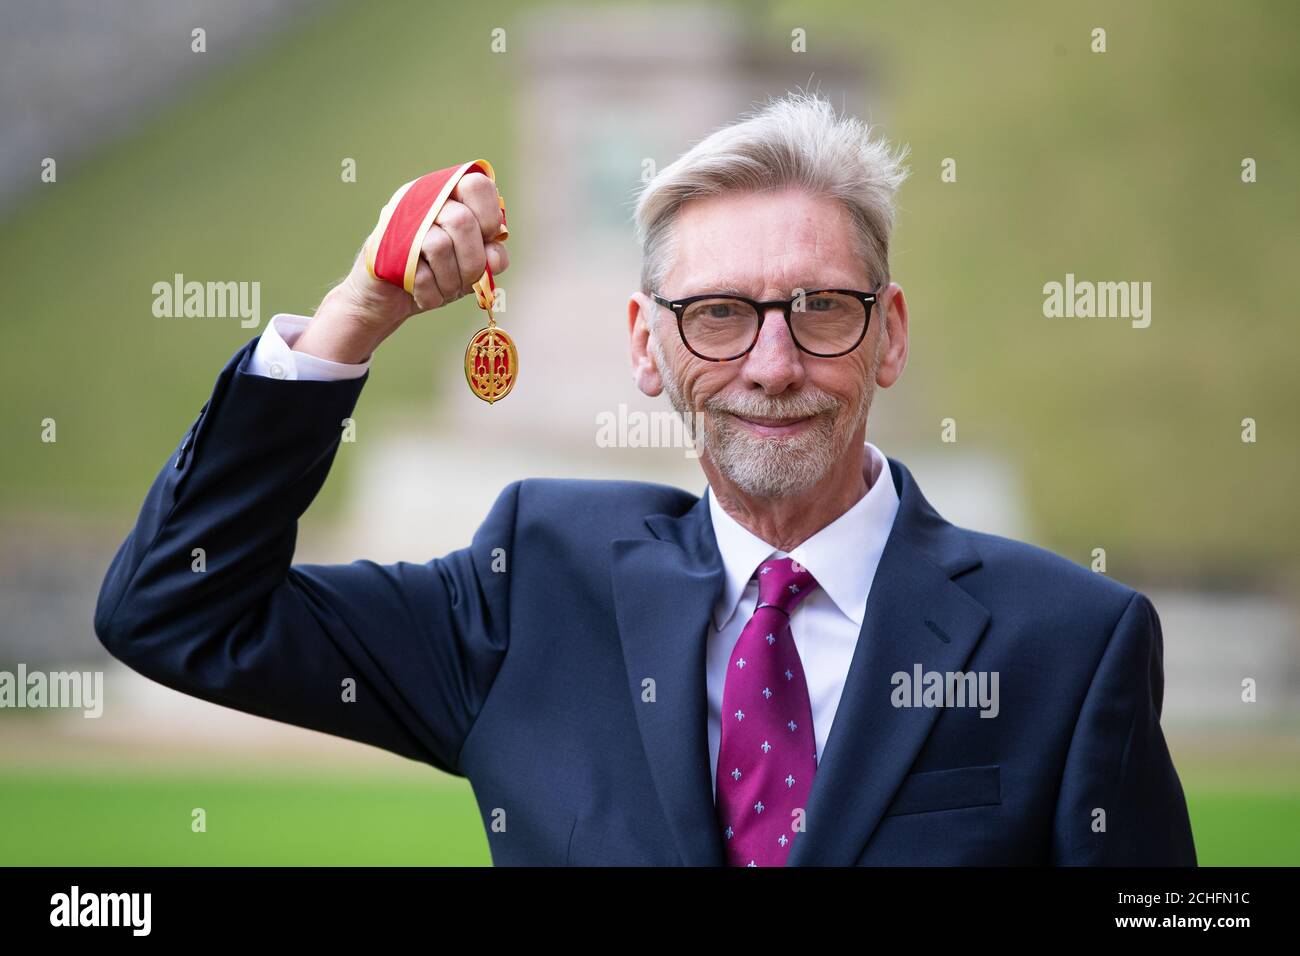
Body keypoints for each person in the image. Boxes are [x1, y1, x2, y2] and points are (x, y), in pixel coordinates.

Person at [95, 91, 1196, 866]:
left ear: (888, 334)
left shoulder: (1069, 642)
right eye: (717, 314)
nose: (771, 363)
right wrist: (357, 315)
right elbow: (178, 607)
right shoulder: (531, 589)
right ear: (645, 346)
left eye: (819, 307)